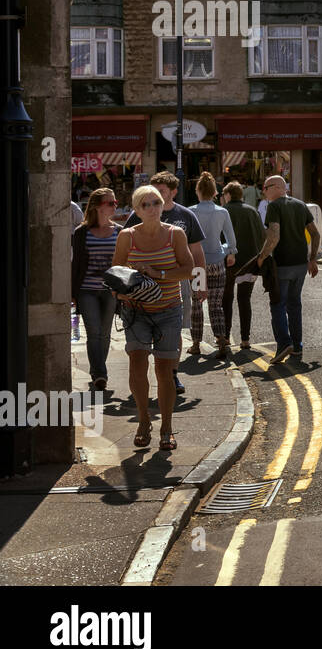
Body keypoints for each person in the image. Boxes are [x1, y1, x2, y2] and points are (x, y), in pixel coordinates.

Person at [113, 185, 194, 451]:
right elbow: (115, 272)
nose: (151, 208)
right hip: (136, 310)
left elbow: (187, 270)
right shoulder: (127, 236)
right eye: (145, 204)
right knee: (137, 362)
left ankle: (167, 427)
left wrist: (156, 273)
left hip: (169, 308)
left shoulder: (175, 235)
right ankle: (144, 421)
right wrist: (121, 291)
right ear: (136, 210)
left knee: (165, 370)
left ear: (163, 206)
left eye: (156, 203)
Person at [123, 171, 205, 396]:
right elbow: (124, 247)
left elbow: (197, 252)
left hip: (175, 285)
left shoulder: (186, 216)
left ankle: (172, 373)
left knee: (175, 331)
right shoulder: (137, 214)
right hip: (140, 291)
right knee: (140, 347)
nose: (155, 197)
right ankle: (142, 382)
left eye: (161, 192)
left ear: (173, 192)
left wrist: (200, 283)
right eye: (153, 190)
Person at [255, 175, 320, 364]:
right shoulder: (300, 205)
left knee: (277, 304)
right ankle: (297, 347)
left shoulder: (274, 206)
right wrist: (312, 259)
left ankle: (284, 343)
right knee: (294, 305)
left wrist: (262, 257)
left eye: (265, 188)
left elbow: (274, 236)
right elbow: (315, 234)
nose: (264, 193)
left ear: (275, 187)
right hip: (301, 265)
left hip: (282, 265)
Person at [71, 188, 122, 390]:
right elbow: (75, 265)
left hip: (110, 290)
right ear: (97, 206)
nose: (114, 206)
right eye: (110, 203)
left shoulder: (119, 231)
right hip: (86, 289)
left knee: (105, 333)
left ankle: (98, 371)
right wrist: (72, 293)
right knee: (94, 332)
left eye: (115, 202)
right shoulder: (81, 232)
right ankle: (100, 374)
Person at [188, 172, 237, 360]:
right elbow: (231, 241)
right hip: (217, 263)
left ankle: (195, 344)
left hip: (198, 265)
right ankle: (221, 340)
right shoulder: (222, 212)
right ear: (215, 192)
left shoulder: (190, 211)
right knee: (216, 306)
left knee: (196, 305)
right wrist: (226, 251)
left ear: (198, 191)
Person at [221, 181, 266, 351]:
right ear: (241, 195)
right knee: (244, 299)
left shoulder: (224, 212)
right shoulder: (252, 211)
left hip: (228, 262)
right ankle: (245, 340)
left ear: (227, 195)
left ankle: (225, 337)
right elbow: (262, 236)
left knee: (227, 299)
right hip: (250, 262)